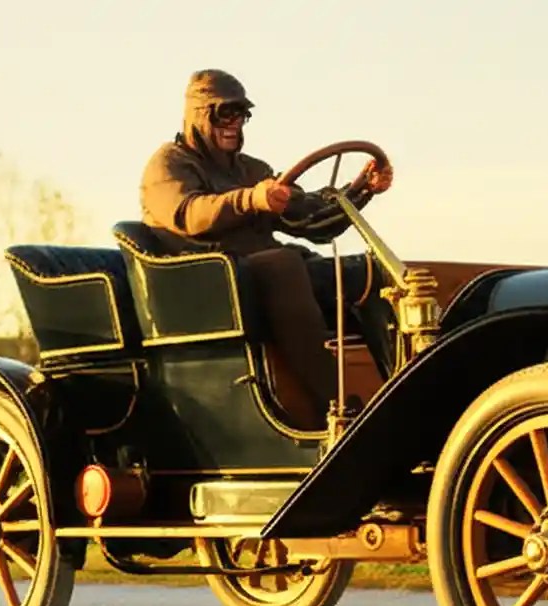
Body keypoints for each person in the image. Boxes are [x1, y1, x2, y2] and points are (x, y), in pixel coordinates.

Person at [139, 68, 392, 429]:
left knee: (368, 273)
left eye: (242, 114)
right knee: (282, 264)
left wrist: (361, 189)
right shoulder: (168, 164)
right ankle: (337, 407)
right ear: (199, 114)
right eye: (225, 113)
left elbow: (311, 221)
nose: (235, 123)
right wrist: (251, 200)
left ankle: (400, 391)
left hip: (268, 277)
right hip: (208, 285)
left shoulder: (252, 169)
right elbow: (189, 214)